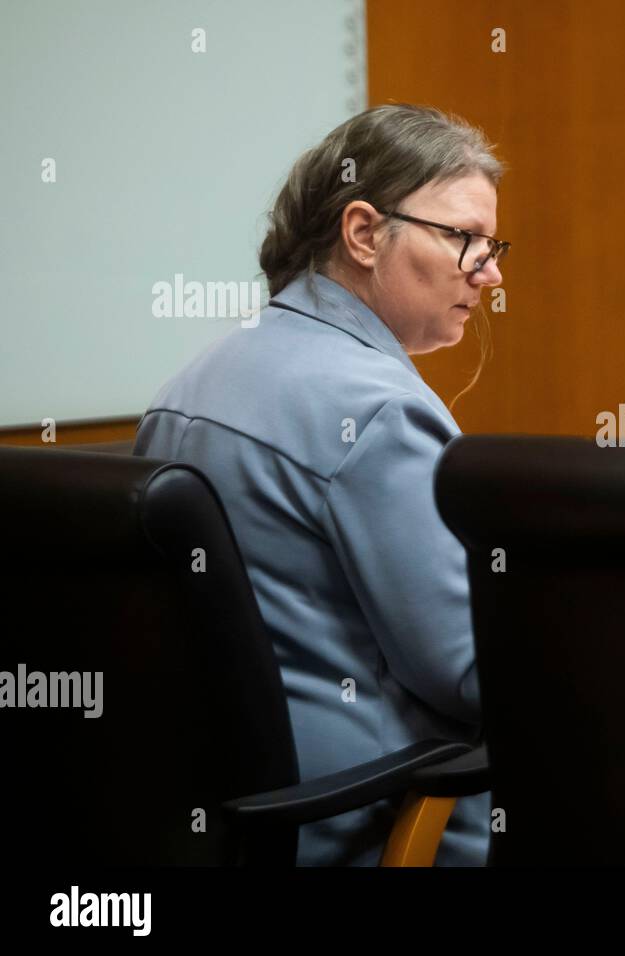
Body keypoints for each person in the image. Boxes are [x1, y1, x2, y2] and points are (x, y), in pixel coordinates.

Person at [134, 104, 508, 865]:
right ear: (365, 233)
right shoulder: (380, 413)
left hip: (207, 814)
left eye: (492, 245)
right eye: (464, 238)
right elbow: (471, 675)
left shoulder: (186, 385)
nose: (491, 271)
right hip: (377, 821)